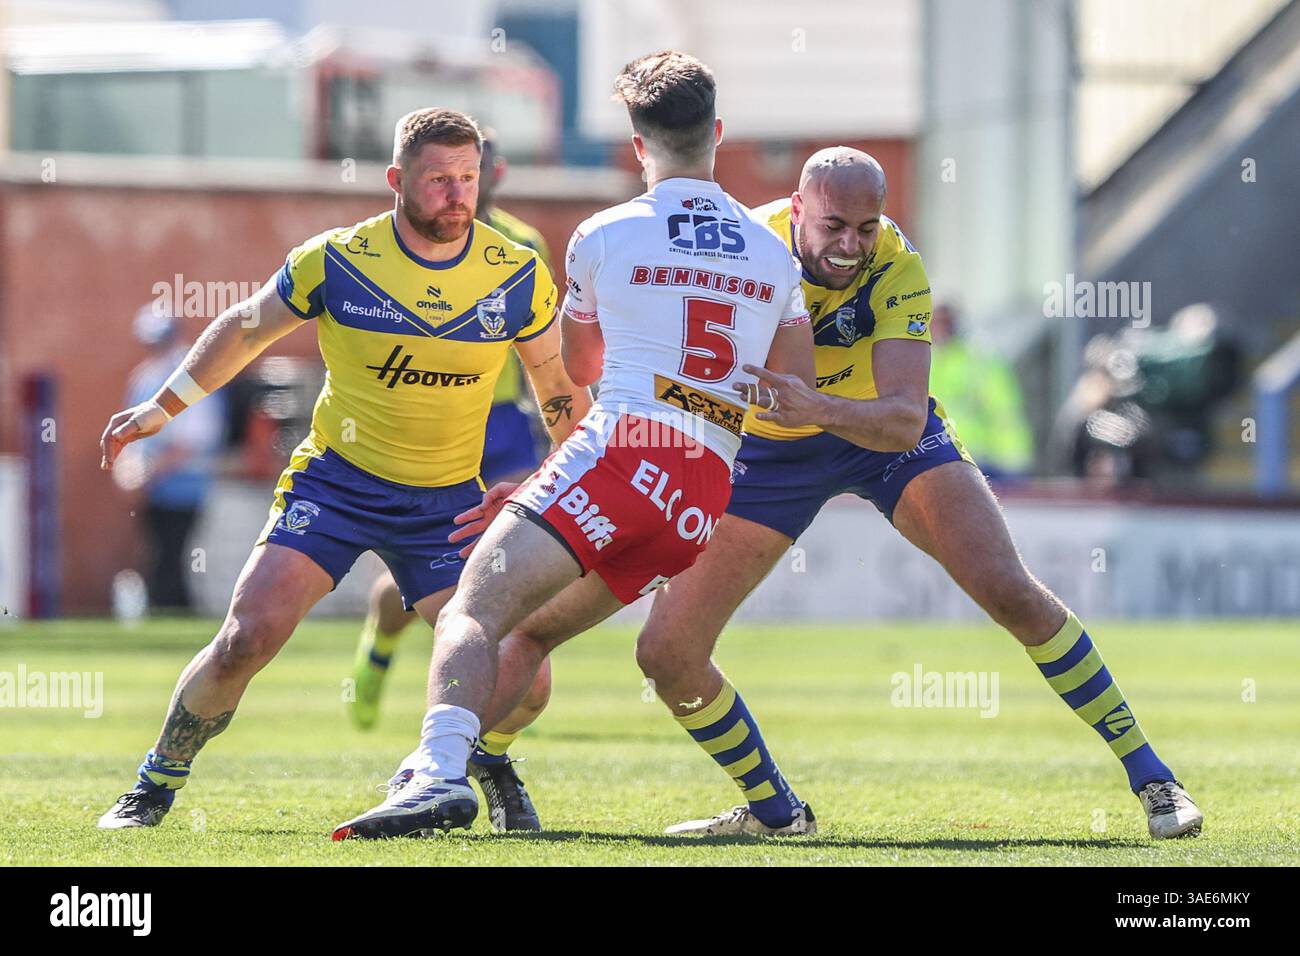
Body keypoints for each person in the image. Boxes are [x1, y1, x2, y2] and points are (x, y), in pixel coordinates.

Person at [456, 147, 1204, 841]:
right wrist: (566, 469)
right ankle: (776, 812)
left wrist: (819, 408)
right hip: (761, 458)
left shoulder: (897, 264)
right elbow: (644, 378)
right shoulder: (744, 244)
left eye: (866, 227)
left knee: (1010, 590)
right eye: (834, 226)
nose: (851, 244)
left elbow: (906, 415)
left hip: (882, 438)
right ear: (797, 210)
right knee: (665, 651)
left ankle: (1156, 779)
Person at [331, 49, 816, 841]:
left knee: (475, 604)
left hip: (621, 450)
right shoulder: (772, 251)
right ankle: (469, 766)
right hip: (701, 491)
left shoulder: (604, 233)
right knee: (531, 631)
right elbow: (792, 394)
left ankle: (433, 777)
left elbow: (582, 369)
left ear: (636, 146)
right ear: (717, 134)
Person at [95, 106, 590, 830]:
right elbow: (244, 327)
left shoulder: (514, 274)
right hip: (336, 483)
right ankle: (153, 784)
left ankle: (482, 760)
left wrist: (565, 482)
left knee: (529, 679)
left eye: (467, 179)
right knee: (245, 639)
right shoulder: (337, 258)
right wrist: (160, 410)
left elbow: (557, 388)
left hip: (448, 501)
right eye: (437, 181)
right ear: (395, 180)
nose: (457, 195)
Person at [345, 130, 556, 828]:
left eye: (478, 169)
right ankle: (381, 647)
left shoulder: (522, 244)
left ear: (494, 171)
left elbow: (544, 346)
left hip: (501, 426)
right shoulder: (401, 243)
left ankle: (481, 741)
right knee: (427, 572)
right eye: (451, 172)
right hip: (427, 420)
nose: (469, 182)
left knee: (496, 567)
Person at [119, 307, 226, 612]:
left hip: (183, 486)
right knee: (159, 554)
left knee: (172, 555)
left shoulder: (189, 377)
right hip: (153, 486)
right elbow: (132, 436)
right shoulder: (145, 376)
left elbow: (193, 440)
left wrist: (147, 473)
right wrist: (129, 475)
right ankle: (167, 610)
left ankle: (173, 612)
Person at [928, 302, 1033, 478]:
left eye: (945, 321)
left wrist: (1012, 458)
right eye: (935, 321)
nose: (940, 328)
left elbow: (1003, 407)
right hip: (945, 453)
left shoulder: (977, 355)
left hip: (989, 457)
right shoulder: (926, 356)